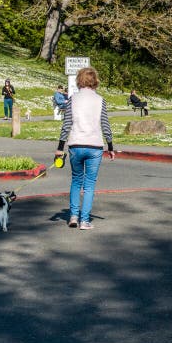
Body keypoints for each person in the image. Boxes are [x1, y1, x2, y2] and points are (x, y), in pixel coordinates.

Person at [55, 67, 115, 230]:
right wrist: (110, 146)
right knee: (89, 184)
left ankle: (73, 216)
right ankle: (85, 220)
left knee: (76, 180)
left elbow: (66, 125)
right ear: (95, 81)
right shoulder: (100, 100)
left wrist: (60, 148)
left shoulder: (72, 100)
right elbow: (105, 124)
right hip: (94, 146)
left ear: (79, 81)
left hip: (75, 144)